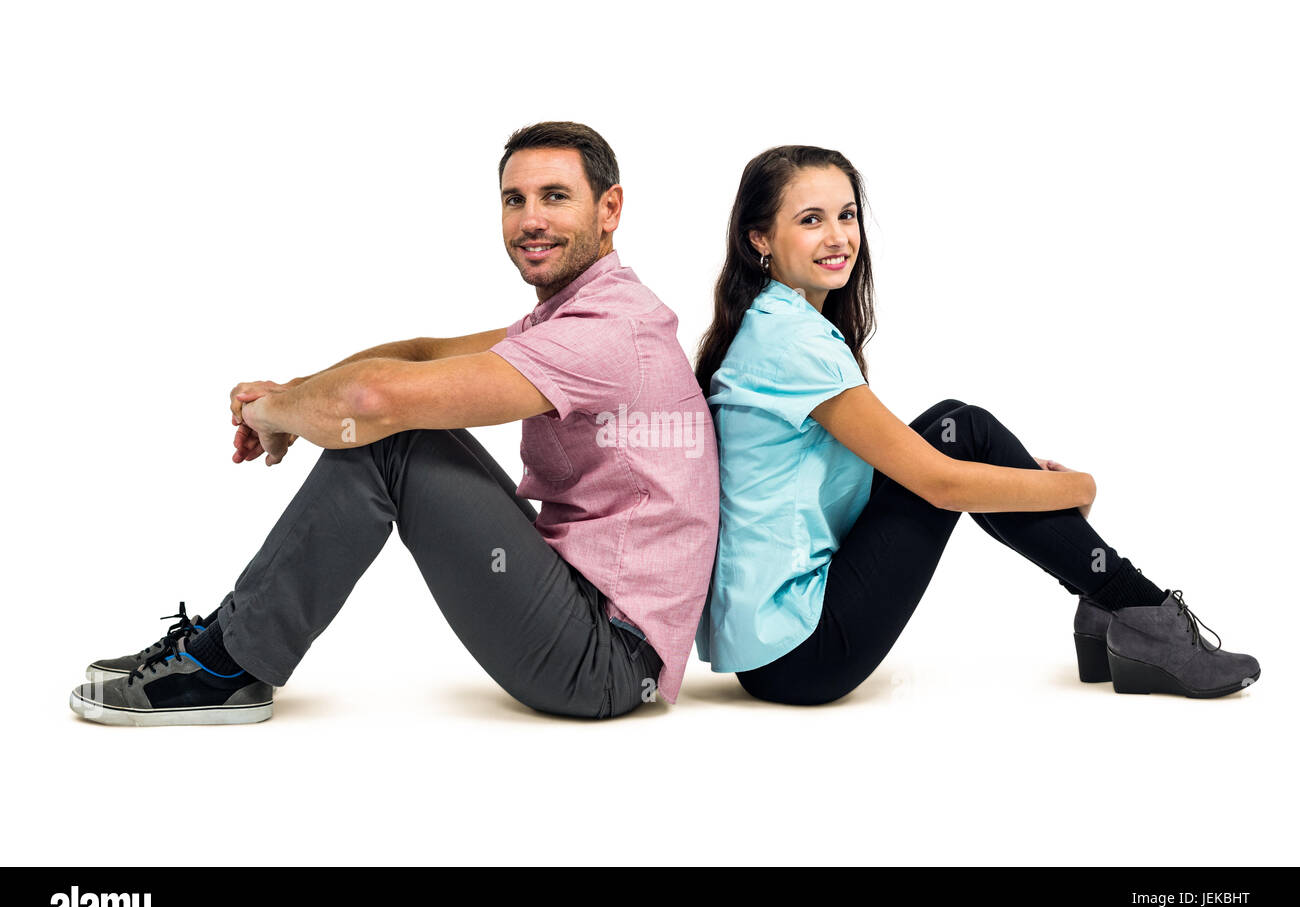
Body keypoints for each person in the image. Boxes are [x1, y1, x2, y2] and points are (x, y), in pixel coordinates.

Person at [70, 121, 719, 725]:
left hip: (606, 659)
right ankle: (224, 647)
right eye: (513, 200)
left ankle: (223, 664)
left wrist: (273, 415)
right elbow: (421, 355)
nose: (531, 220)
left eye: (555, 196)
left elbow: (375, 402)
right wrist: (298, 393)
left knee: (396, 438)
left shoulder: (607, 331)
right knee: (404, 422)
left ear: (609, 210)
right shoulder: (579, 314)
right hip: (586, 617)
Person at [693, 145, 1260, 703]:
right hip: (801, 655)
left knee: (953, 424)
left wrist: (1025, 489)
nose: (838, 236)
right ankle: (1132, 606)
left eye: (847, 215)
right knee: (962, 439)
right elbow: (942, 484)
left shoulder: (775, 321)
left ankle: (1110, 604)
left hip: (773, 646)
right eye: (811, 220)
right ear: (759, 238)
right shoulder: (791, 341)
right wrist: (1076, 488)